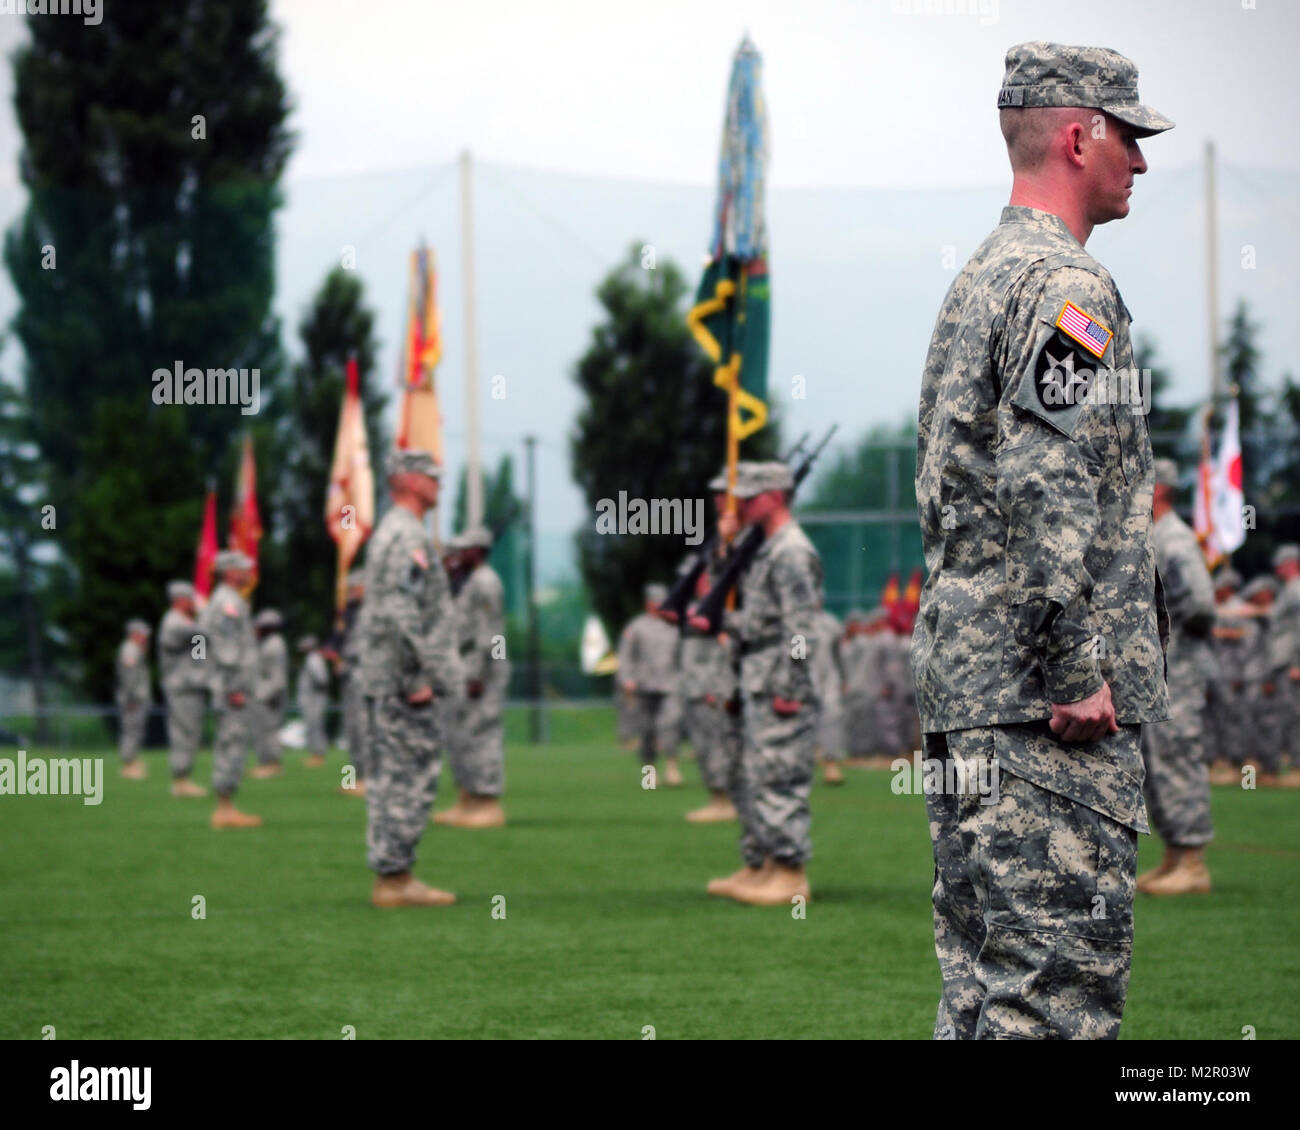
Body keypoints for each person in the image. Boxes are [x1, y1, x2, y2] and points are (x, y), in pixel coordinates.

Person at [912, 42, 1172, 1039]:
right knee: (1055, 997)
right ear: (1078, 135)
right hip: (1040, 713)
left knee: (983, 991)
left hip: (968, 696)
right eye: (1129, 137)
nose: (1140, 162)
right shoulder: (1067, 288)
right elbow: (1047, 477)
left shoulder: (978, 280)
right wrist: (1073, 666)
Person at [695, 460, 824, 907]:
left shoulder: (790, 551)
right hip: (758, 675)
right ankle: (767, 864)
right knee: (757, 775)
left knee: (780, 774)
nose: (740, 506)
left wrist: (791, 686)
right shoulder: (766, 547)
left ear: (773, 496)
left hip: (778, 681)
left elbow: (801, 630)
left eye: (749, 498)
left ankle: (790, 874)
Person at [360, 449, 461, 908]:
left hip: (389, 675)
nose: (439, 484)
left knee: (391, 777)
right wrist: (418, 674)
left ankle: (393, 874)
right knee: (408, 776)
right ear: (411, 482)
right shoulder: (407, 536)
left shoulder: (395, 531)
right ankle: (396, 877)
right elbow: (401, 609)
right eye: (431, 477)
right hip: (404, 680)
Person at [1137, 459, 1216, 895]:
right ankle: (1173, 856)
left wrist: (1175, 639)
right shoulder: (1152, 536)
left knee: (1178, 757)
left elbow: (1202, 604)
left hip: (1179, 670)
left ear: (1158, 490)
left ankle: (1193, 863)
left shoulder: (1176, 540)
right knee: (1159, 761)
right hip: (1159, 673)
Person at [435, 526, 511, 828]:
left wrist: (482, 672)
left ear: (477, 551)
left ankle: (489, 804)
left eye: (462, 550)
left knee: (483, 735)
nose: (456, 555)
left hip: (484, 667)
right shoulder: (465, 582)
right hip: (464, 664)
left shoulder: (486, 582)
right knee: (460, 735)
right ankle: (467, 799)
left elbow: (492, 633)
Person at [681, 475, 740, 823]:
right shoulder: (699, 609)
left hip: (719, 676)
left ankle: (726, 799)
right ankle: (717, 796)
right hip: (700, 679)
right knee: (706, 741)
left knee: (722, 739)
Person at [198, 550, 262, 828]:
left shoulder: (231, 600)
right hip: (231, 687)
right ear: (230, 572)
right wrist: (235, 685)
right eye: (243, 568)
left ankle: (226, 806)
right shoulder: (227, 602)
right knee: (231, 743)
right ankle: (224, 810)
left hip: (232, 685)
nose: (249, 572)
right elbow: (226, 648)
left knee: (233, 743)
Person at [617, 583, 684, 786]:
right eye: (656, 602)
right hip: (644, 685)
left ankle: (672, 767)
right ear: (648, 603)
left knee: (670, 723)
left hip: (671, 684)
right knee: (646, 730)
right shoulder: (636, 627)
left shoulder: (675, 626)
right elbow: (626, 655)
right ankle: (649, 775)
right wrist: (626, 678)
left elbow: (684, 655)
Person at [157, 580, 208, 797]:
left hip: (190, 685)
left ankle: (183, 777)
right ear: (179, 600)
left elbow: (199, 651)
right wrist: (207, 615)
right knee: (184, 731)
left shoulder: (186, 623)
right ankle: (180, 779)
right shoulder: (174, 622)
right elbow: (201, 634)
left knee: (191, 731)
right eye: (190, 599)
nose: (193, 603)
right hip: (181, 686)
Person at [1206, 568, 1253, 785]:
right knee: (1215, 717)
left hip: (1232, 672)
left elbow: (1247, 640)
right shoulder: (1217, 607)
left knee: (1233, 717)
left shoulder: (1240, 609)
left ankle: (1236, 760)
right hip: (1215, 672)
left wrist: (1223, 633)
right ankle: (1217, 758)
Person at [1268, 545, 1300, 780]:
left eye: (1281, 563)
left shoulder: (1296, 590)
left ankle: (1297, 765)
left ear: (1291, 563)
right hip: (1285, 662)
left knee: (1295, 715)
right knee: (1287, 714)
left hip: (1292, 663)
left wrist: (1297, 663)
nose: (1277, 567)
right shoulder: (1288, 590)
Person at [337, 569, 369, 796]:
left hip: (365, 673)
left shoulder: (371, 612)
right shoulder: (352, 613)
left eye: (354, 587)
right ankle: (352, 779)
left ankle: (368, 778)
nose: (350, 592)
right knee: (352, 729)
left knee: (365, 727)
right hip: (351, 673)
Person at [249, 609, 288, 779]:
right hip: (263, 692)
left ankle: (273, 764)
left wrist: (265, 695)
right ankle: (264, 762)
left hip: (269, 694)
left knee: (270, 729)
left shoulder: (274, 644)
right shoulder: (267, 643)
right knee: (262, 730)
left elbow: (277, 677)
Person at [812, 602, 846, 785]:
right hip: (806, 679)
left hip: (829, 677)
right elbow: (796, 656)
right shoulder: (798, 622)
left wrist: (843, 677)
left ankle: (831, 764)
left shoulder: (830, 623)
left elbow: (837, 653)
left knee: (832, 716)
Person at [116, 619, 152, 780]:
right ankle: (128, 765)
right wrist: (130, 698)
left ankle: (133, 760)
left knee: (136, 730)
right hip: (133, 699)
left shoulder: (136, 649)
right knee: (131, 730)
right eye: (143, 634)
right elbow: (129, 676)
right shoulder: (130, 650)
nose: (145, 637)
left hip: (137, 698)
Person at [296, 636, 331, 768]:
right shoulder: (312, 658)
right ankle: (315, 754)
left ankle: (318, 755)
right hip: (313, 698)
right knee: (313, 726)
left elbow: (322, 679)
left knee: (316, 726)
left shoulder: (314, 659)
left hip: (315, 699)